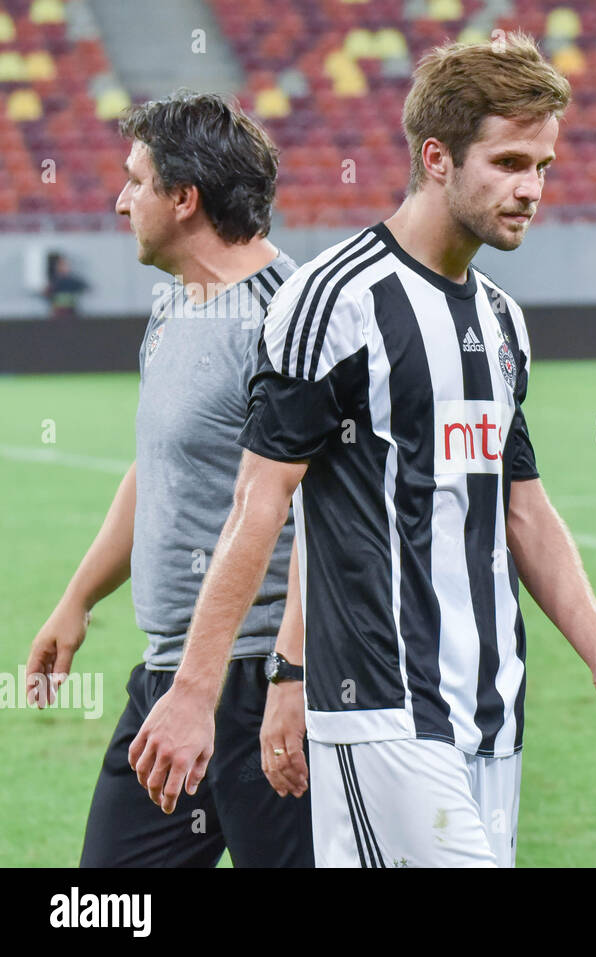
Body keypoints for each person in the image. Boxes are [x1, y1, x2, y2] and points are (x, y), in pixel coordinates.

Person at [127, 32, 596, 868]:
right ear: (438, 157)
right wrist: (197, 691)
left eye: (544, 167)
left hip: (492, 711)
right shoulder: (329, 302)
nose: (530, 190)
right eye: (511, 162)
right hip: (380, 712)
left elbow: (522, 508)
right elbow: (259, 503)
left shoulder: (500, 320)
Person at [25, 91, 313, 867]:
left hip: (262, 691)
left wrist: (292, 673)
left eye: (135, 181)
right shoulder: (172, 308)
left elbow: (322, 514)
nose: (121, 201)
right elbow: (154, 468)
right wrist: (77, 599)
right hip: (167, 679)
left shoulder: (289, 319)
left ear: (184, 198)